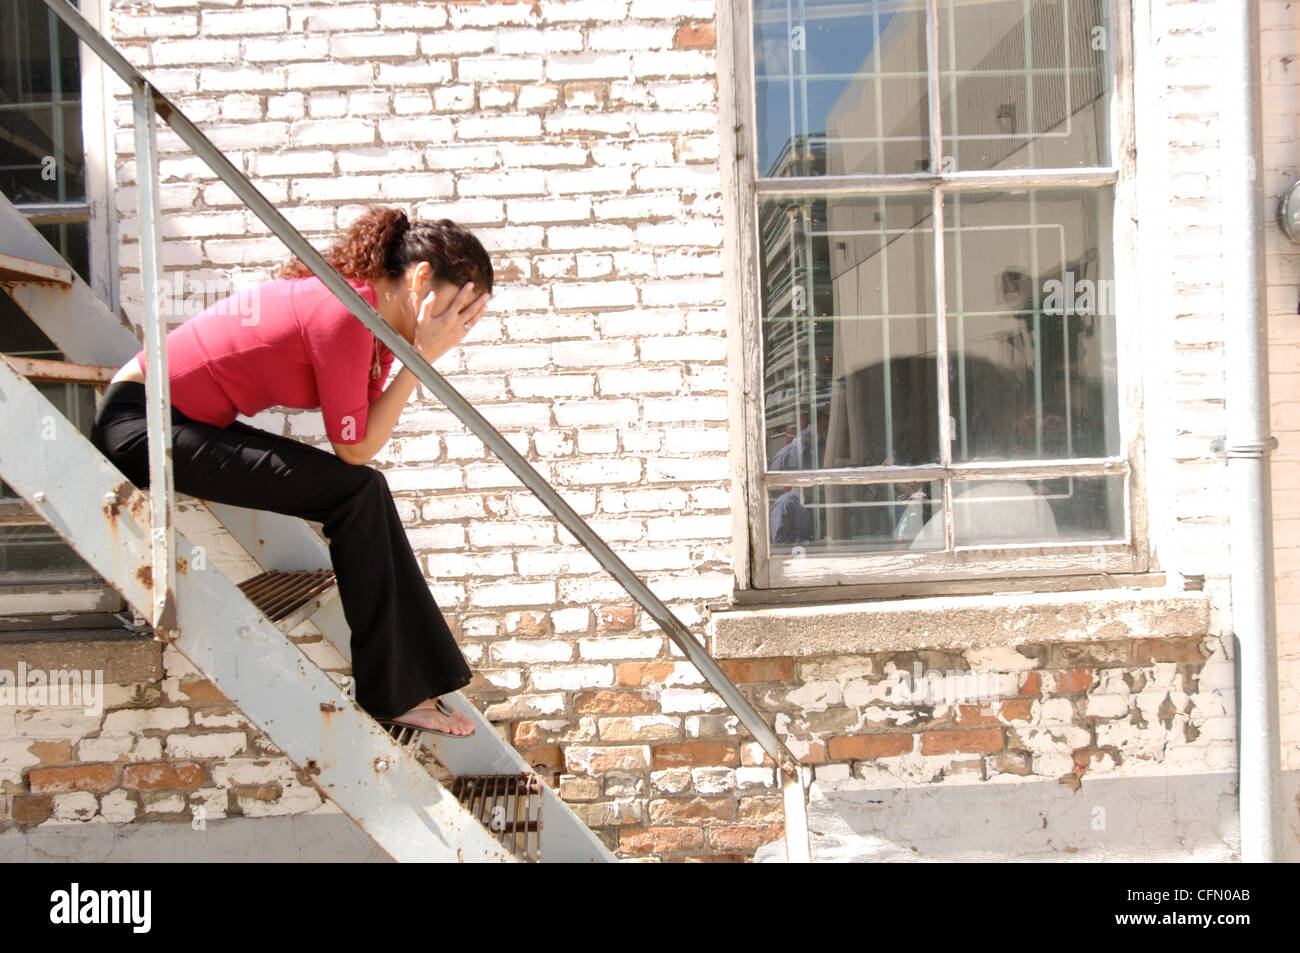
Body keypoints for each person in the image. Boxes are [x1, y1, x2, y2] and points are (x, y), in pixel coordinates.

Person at [91, 206, 492, 739]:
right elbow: (355, 450)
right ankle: (392, 692)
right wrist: (420, 358)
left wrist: (412, 355)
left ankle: (409, 683)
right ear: (421, 281)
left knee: (361, 492)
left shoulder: (368, 325)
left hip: (173, 418)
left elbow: (362, 436)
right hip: (140, 424)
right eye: (460, 308)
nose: (460, 326)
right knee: (356, 493)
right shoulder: (348, 313)